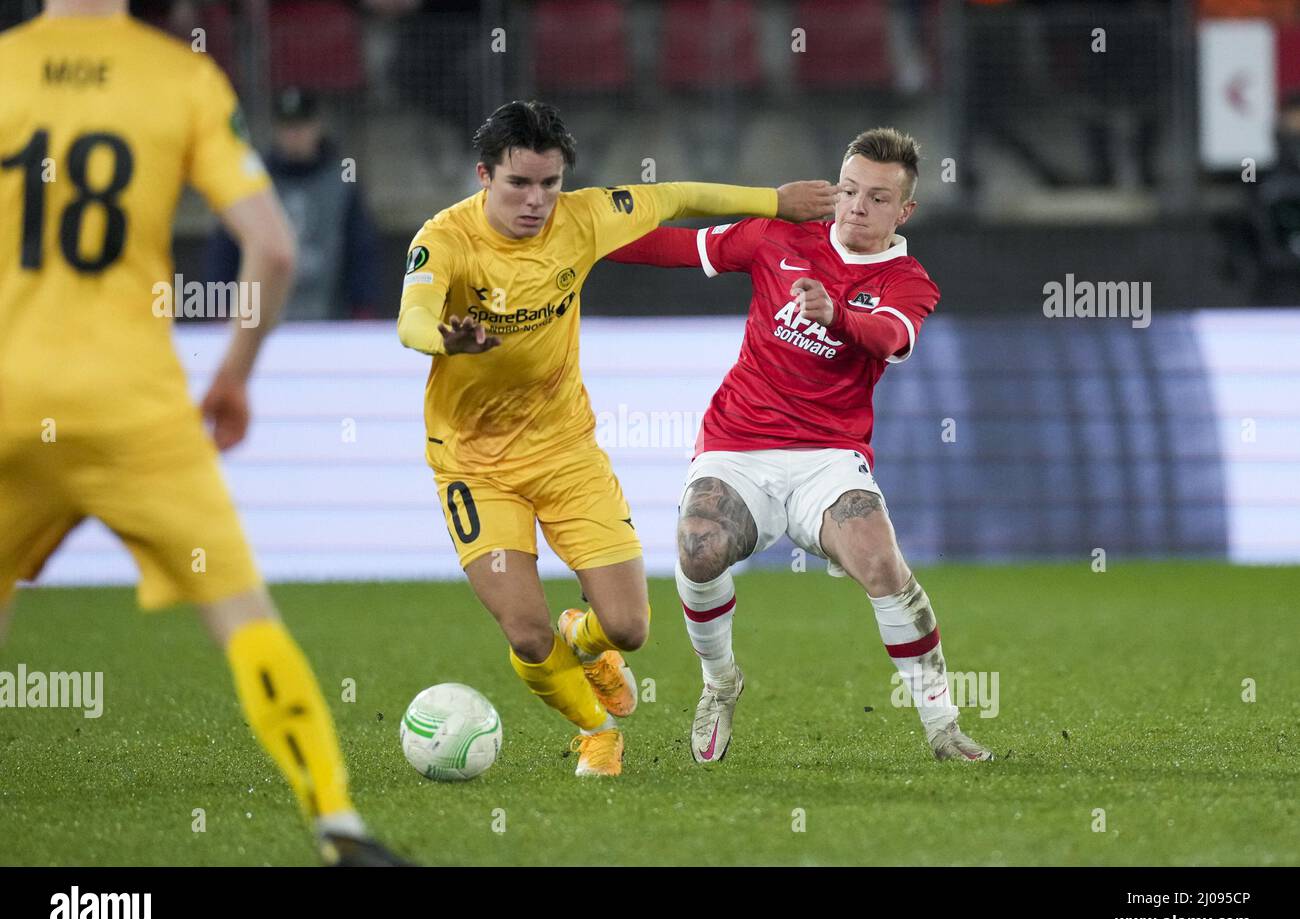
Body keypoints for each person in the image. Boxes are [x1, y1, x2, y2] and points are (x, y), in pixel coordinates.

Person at [0, 0, 405, 865]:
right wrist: (233, 377)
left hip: (6, 402)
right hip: (134, 410)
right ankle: (338, 825)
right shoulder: (177, 75)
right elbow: (274, 248)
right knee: (243, 616)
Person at [396, 99, 836, 777]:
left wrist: (774, 201)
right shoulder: (445, 238)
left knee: (628, 628)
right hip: (475, 464)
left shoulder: (585, 216)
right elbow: (412, 317)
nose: (537, 200)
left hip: (565, 450)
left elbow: (680, 195)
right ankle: (597, 733)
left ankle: (588, 638)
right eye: (519, 183)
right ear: (484, 175)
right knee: (525, 629)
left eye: (549, 183)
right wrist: (444, 339)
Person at [605, 128, 996, 764]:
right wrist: (583, 237)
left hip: (829, 457)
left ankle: (943, 725)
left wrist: (834, 315)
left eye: (876, 197)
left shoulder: (908, 280)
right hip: (739, 443)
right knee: (697, 547)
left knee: (881, 565)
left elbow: (888, 337)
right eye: (848, 190)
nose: (856, 207)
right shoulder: (778, 235)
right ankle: (720, 682)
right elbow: (673, 247)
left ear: (905, 211)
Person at [204, 86, 383, 322]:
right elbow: (226, 249)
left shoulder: (342, 182)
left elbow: (362, 253)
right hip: (260, 326)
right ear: (276, 130)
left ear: (317, 126)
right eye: (288, 127)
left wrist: (364, 311)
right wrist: (219, 308)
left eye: (302, 125)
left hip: (329, 325)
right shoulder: (252, 181)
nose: (295, 135)